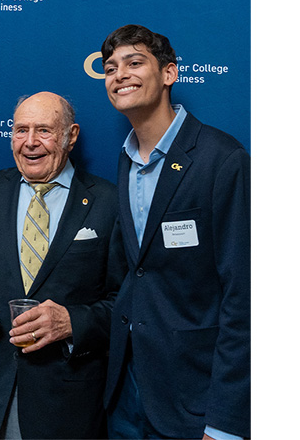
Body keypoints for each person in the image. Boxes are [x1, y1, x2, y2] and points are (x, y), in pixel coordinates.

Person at [99, 25, 251, 440]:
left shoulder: (222, 158)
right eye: (110, 67)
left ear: (169, 74)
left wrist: (224, 424)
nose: (119, 74)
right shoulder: (126, 160)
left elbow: (244, 297)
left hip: (195, 400)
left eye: (134, 62)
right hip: (128, 391)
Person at [0, 92, 124, 439]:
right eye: (20, 130)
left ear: (71, 136)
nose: (29, 143)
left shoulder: (109, 203)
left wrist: (72, 322)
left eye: (43, 130)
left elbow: (126, 300)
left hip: (66, 404)